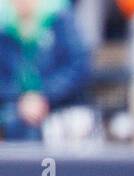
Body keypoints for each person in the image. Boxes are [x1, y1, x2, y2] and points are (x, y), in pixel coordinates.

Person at [0, 0, 90, 142]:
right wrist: (21, 99)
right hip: (14, 107)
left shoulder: (60, 19)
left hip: (60, 105)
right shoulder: (3, 25)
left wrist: (44, 96)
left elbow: (77, 67)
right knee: (14, 121)